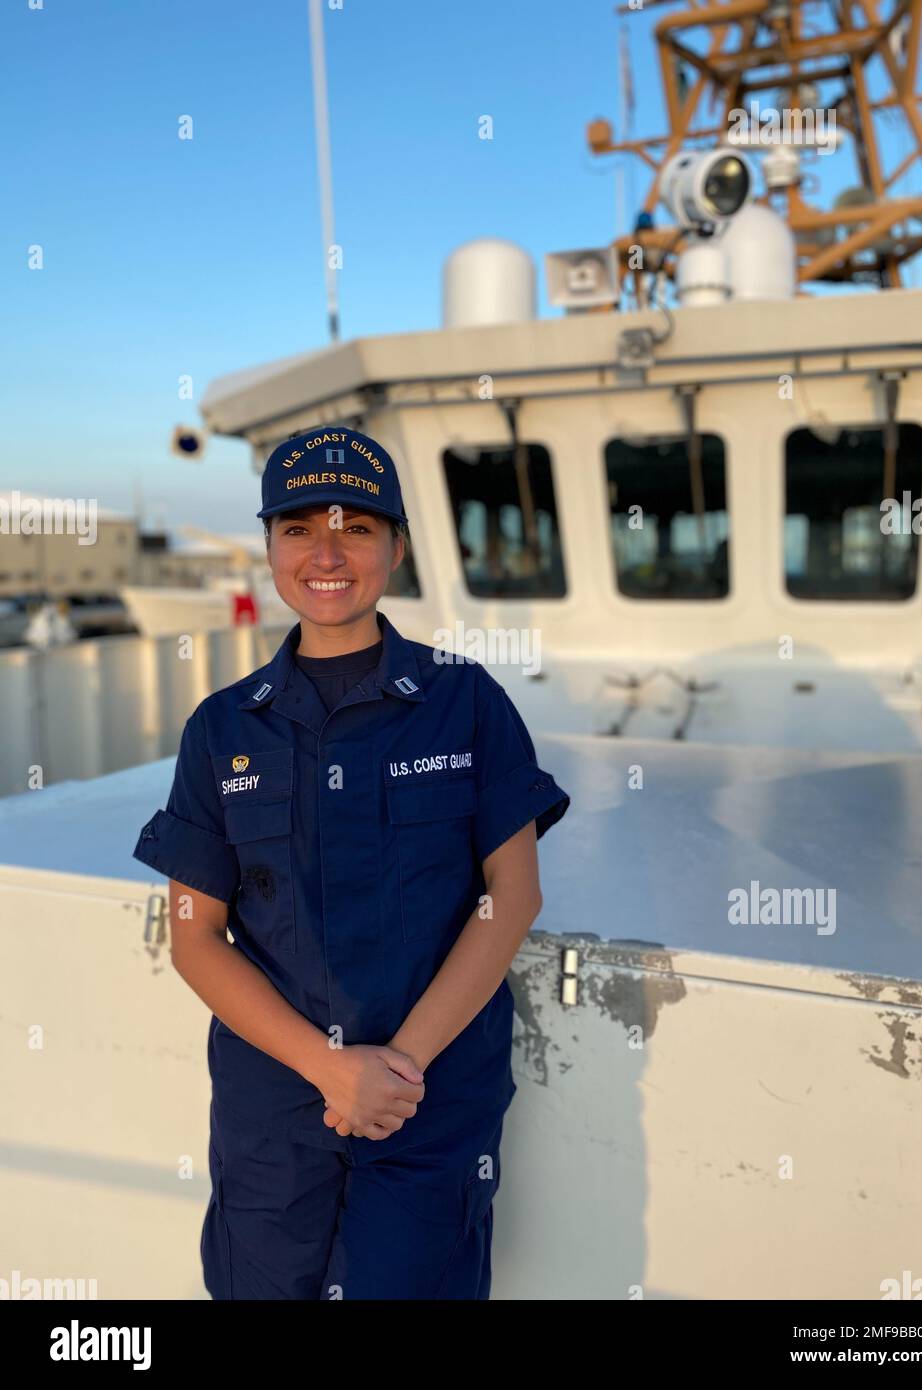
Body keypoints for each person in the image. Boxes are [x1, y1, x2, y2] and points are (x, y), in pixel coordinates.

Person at [132, 426, 570, 1300]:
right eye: (297, 528)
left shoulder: (463, 700)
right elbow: (195, 937)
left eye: (356, 528)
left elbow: (510, 899)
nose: (326, 554)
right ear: (268, 547)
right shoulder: (222, 729)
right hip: (276, 1103)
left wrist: (392, 1070)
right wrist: (331, 1068)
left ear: (396, 548)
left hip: (429, 1096)